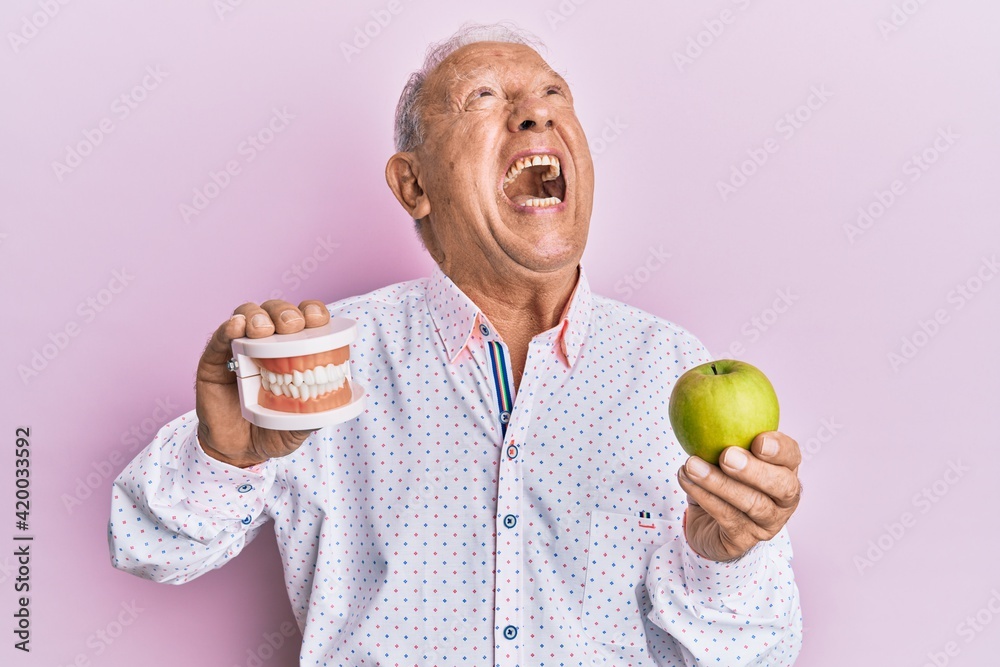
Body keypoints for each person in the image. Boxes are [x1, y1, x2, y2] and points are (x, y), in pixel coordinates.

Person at [108, 22, 803, 666]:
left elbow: (758, 652)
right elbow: (147, 543)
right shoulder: (317, 363)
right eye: (483, 98)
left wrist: (727, 555)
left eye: (553, 93)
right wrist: (224, 454)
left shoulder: (667, 365)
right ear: (414, 185)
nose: (536, 113)